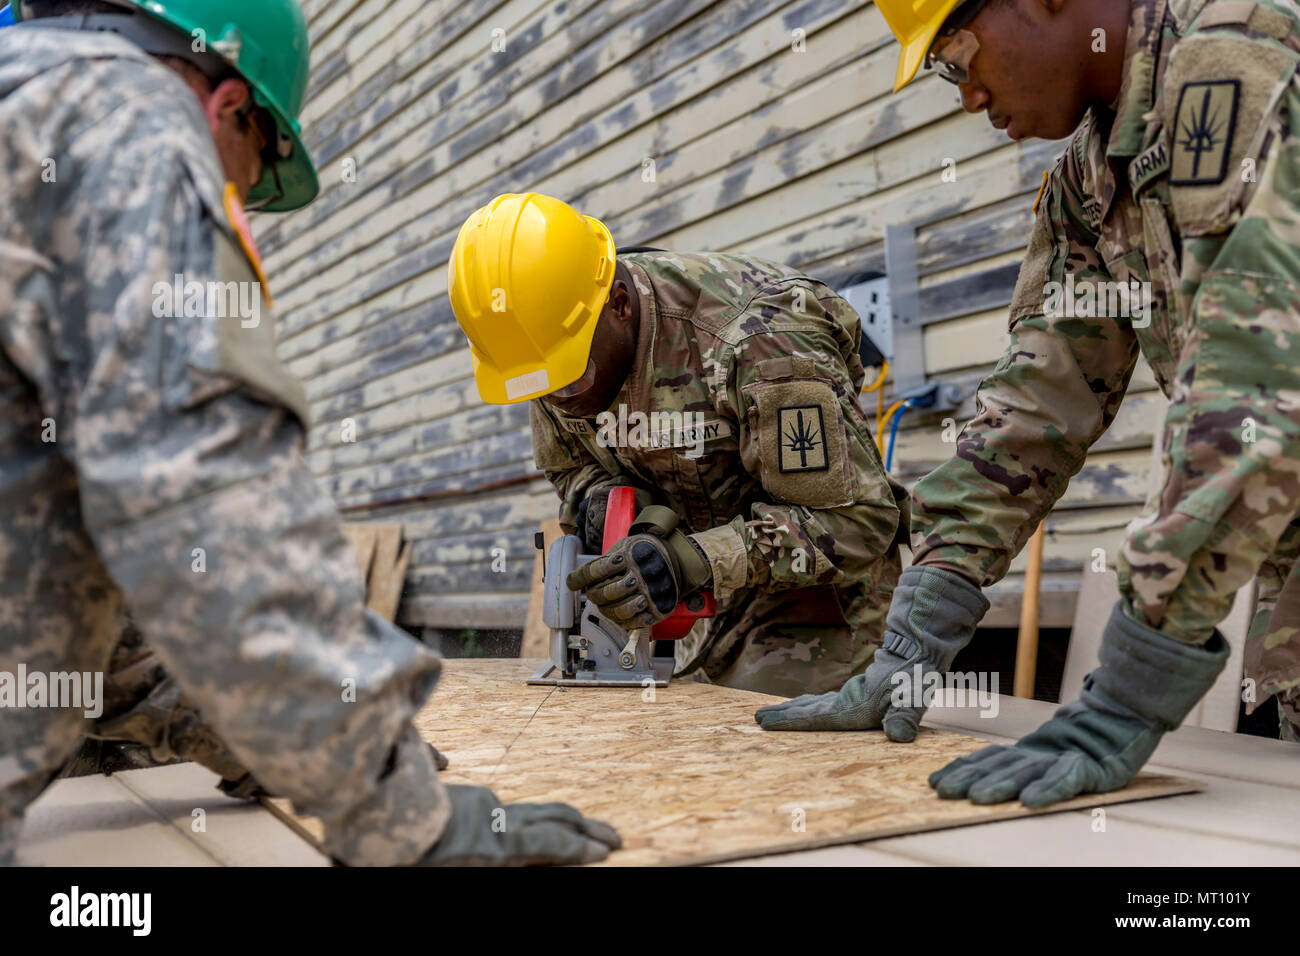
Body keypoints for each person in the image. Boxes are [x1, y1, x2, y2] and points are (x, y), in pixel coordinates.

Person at [0, 0, 618, 866]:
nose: (237, 203)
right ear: (227, 109)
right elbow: (211, 520)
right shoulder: (127, 129)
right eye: (246, 177)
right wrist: (402, 812)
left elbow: (91, 609)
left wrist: (286, 749)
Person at [756, 0, 1300, 803]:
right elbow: (1032, 410)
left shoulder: (1230, 59)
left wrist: (1124, 695)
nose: (968, 98)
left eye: (957, 57)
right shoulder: (1090, 181)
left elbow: (1255, 386)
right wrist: (911, 638)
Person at [448, 192, 907, 697]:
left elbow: (859, 521)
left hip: (814, 600)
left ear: (619, 305)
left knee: (758, 739)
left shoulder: (760, 338)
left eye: (570, 377)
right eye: (539, 386)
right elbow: (572, 469)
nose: (560, 401)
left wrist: (694, 562)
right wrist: (604, 499)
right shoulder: (550, 348)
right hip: (680, 610)